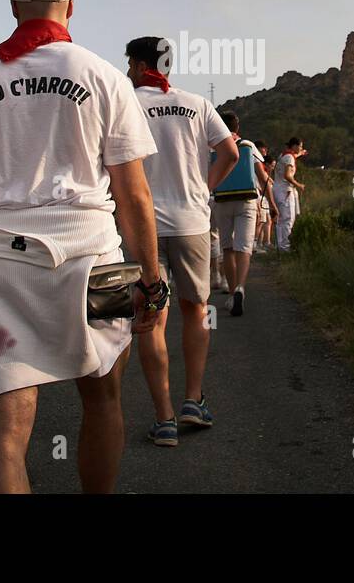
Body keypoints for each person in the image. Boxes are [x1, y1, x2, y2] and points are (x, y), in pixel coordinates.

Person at [0, 0, 165, 494]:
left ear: (14, 6)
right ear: (71, 7)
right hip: (93, 260)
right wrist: (151, 281)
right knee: (103, 399)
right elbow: (133, 197)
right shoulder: (106, 78)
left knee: (5, 429)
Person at [124, 36, 237, 447]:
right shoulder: (196, 104)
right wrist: (202, 188)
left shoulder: (126, 102)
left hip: (143, 227)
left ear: (138, 65)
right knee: (196, 309)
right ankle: (193, 400)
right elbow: (230, 153)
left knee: (153, 315)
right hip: (191, 221)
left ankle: (164, 418)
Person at [211, 111, 269, 317]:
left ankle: (231, 290)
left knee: (227, 248)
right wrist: (271, 202)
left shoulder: (213, 144)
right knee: (244, 248)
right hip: (246, 200)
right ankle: (240, 289)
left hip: (223, 200)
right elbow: (262, 175)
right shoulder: (248, 145)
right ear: (238, 128)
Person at [273, 137, 306, 251]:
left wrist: (300, 154)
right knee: (288, 218)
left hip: (279, 189)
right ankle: (286, 247)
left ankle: (281, 245)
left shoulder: (283, 155)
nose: (301, 148)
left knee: (281, 219)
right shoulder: (289, 158)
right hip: (285, 190)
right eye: (300, 146)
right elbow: (288, 175)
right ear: (295, 146)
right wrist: (298, 184)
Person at [257, 155, 279, 251]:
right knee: (260, 222)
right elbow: (269, 184)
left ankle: (264, 242)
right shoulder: (262, 172)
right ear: (266, 164)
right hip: (261, 199)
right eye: (272, 165)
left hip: (265, 199)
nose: (273, 168)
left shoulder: (265, 173)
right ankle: (257, 243)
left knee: (266, 221)